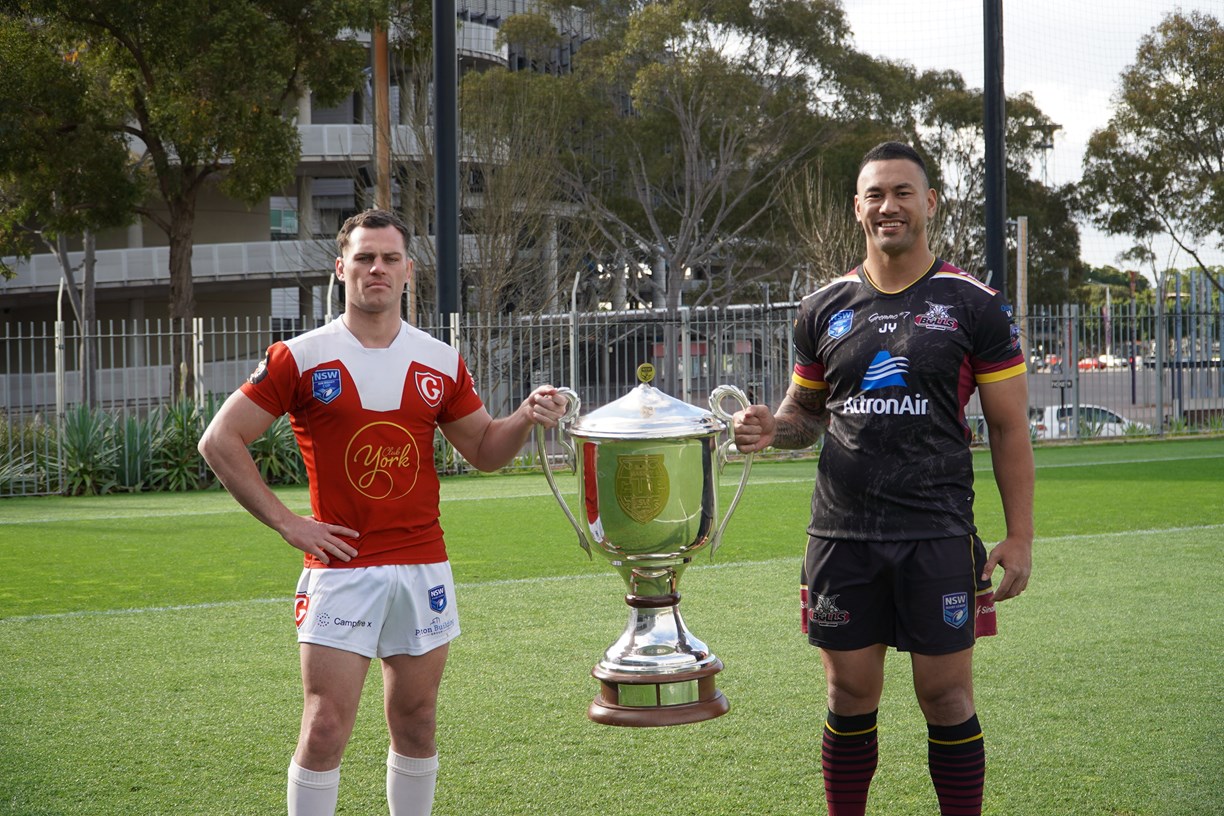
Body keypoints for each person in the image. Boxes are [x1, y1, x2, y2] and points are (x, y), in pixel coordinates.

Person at [198, 208, 567, 816]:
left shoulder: (440, 360)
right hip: (341, 570)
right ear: (341, 268)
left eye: (389, 258)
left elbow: (482, 450)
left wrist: (526, 415)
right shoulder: (300, 356)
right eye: (364, 258)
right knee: (324, 727)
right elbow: (220, 440)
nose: (377, 269)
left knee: (418, 722)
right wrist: (290, 523)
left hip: (423, 565)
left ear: (408, 273)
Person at [733, 142, 1033, 816]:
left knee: (948, 697)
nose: (888, 206)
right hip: (842, 536)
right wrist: (767, 428)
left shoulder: (972, 305)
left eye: (903, 192)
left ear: (930, 204)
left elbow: (1011, 429)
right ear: (858, 210)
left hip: (936, 531)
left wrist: (1020, 536)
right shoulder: (822, 308)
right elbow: (805, 414)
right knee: (848, 697)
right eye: (875, 195)